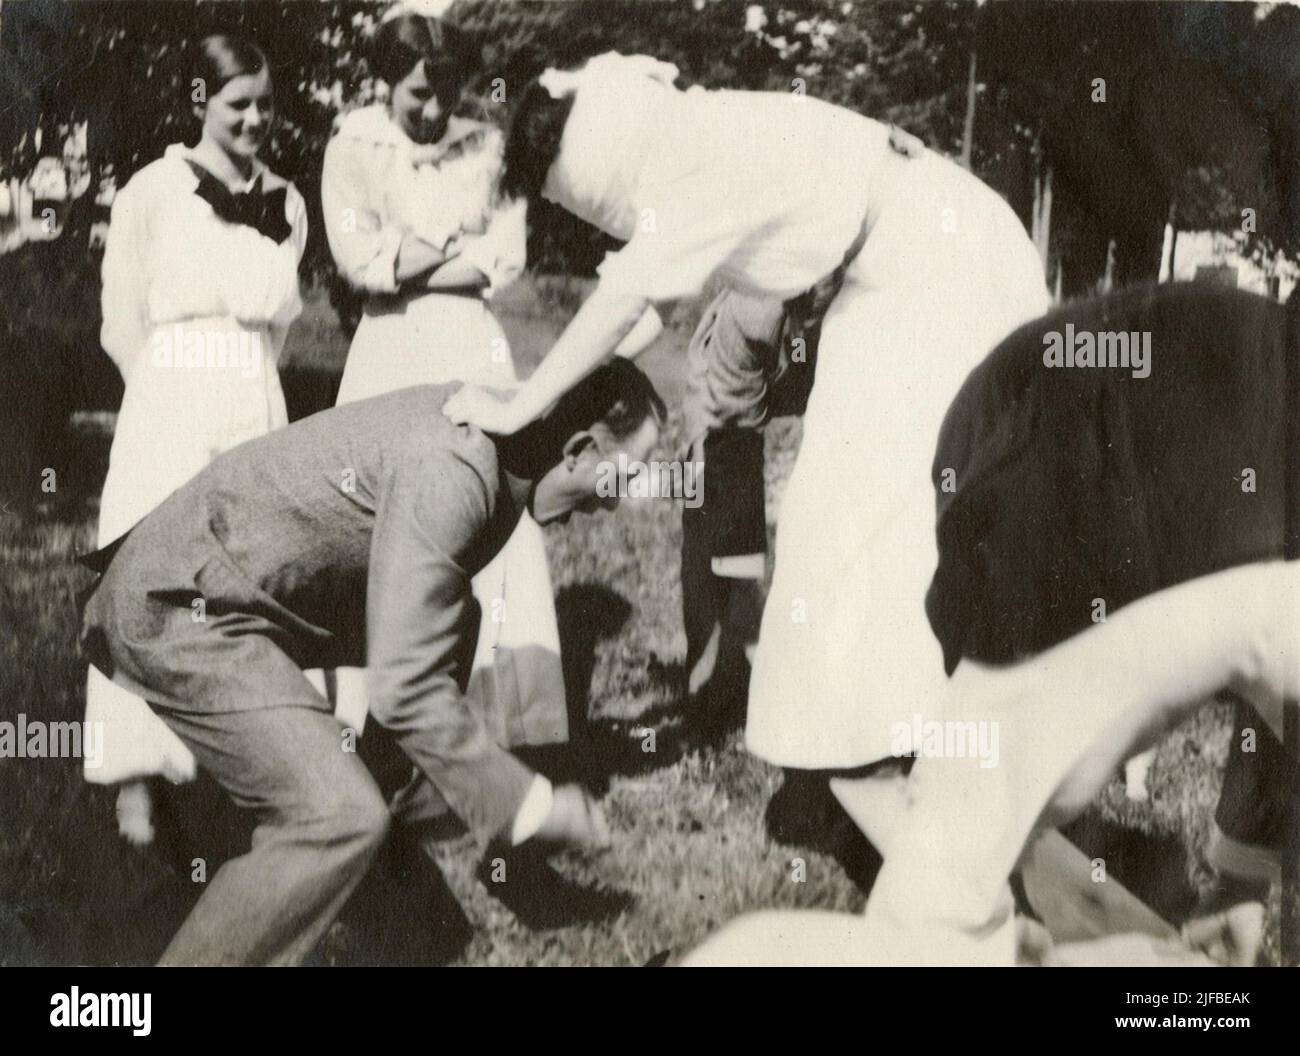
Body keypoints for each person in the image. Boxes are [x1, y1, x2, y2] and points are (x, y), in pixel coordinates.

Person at [442, 52, 1049, 851]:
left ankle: (901, 769)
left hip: (941, 269)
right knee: (864, 525)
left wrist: (523, 403)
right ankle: (890, 756)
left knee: (857, 526)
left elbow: (622, 302)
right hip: (911, 261)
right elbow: (611, 99)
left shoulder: (687, 160)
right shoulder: (676, 115)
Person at [683, 282, 1298, 965]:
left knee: (961, 880)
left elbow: (1266, 646)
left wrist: (1240, 875)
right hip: (1100, 443)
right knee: (946, 906)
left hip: (1062, 404)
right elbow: (1266, 633)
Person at [78, 361, 666, 966]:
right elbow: (404, 688)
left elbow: (423, 634)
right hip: (178, 606)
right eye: (624, 478)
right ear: (579, 449)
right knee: (336, 818)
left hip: (222, 607)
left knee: (441, 639)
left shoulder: (486, 462)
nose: (615, 505)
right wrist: (532, 806)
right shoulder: (458, 471)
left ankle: (348, 852)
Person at [85, 33, 308, 842]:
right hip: (169, 392)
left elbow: (279, 326)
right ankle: (135, 775)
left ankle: (240, 762)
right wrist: (162, 391)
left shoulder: (288, 200)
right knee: (149, 572)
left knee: (247, 577)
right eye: (236, 104)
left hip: (252, 389)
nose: (254, 118)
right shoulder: (151, 190)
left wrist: (247, 379)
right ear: (198, 103)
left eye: (265, 103)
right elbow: (120, 320)